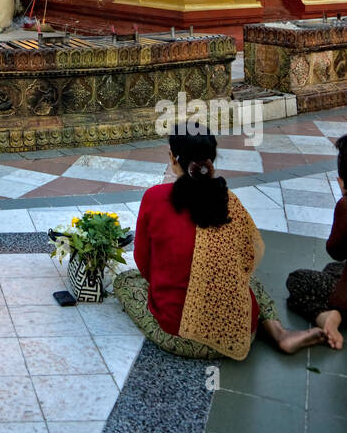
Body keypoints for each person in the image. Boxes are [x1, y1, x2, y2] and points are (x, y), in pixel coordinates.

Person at [114, 131, 327, 360]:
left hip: (180, 337)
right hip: (239, 331)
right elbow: (247, 258)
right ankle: (279, 333)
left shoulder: (155, 197)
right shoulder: (228, 200)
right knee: (249, 281)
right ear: (210, 161)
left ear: (173, 158)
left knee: (125, 282)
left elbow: (143, 262)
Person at [285, 134, 346, 350]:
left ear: (341, 181)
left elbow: (335, 250)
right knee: (333, 269)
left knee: (298, 280)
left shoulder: (346, 205)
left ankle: (329, 316)